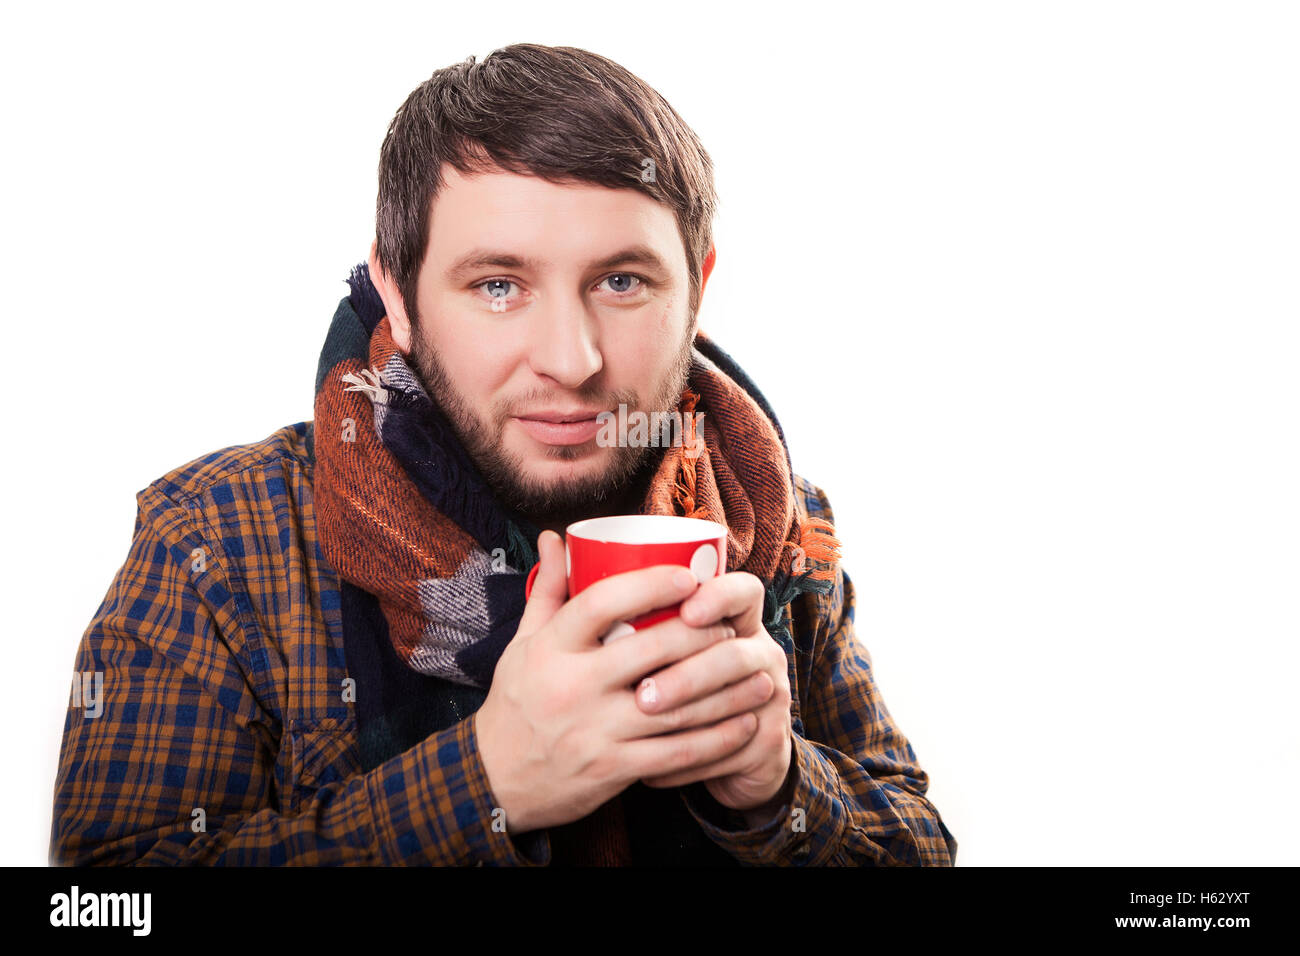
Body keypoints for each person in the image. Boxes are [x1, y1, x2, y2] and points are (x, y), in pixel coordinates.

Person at [50, 43, 957, 866]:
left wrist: (780, 788)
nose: (571, 359)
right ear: (397, 296)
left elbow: (917, 845)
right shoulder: (218, 541)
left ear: (697, 290)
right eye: (498, 285)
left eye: (621, 281)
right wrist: (484, 784)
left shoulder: (775, 519)